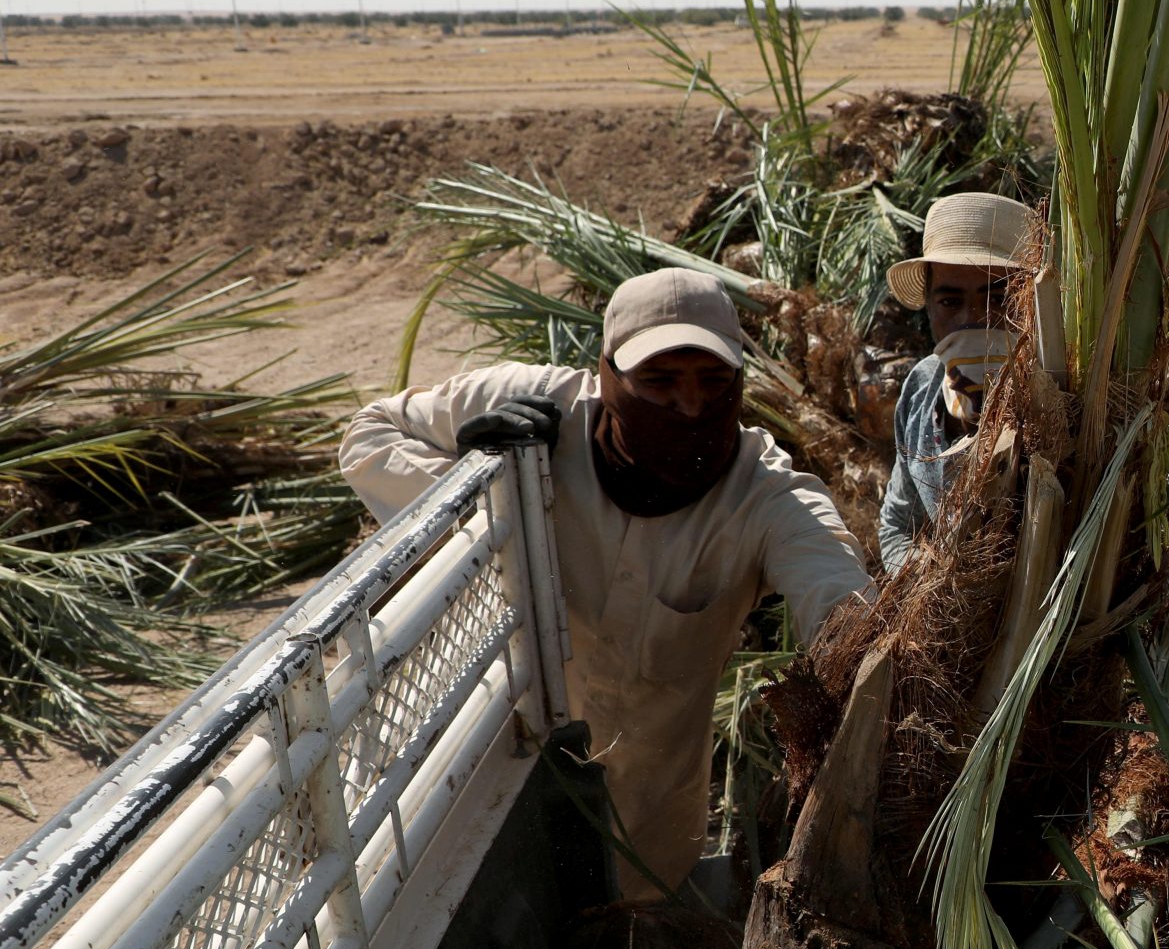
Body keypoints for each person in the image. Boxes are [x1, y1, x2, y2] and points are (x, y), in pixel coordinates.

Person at [341, 267, 873, 898]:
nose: (691, 405)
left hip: (643, 833)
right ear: (607, 375)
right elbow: (368, 435)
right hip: (487, 784)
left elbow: (842, 602)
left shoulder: (765, 499)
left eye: (712, 380)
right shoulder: (534, 408)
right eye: (660, 381)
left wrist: (863, 656)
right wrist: (476, 491)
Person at [877, 191, 1038, 575]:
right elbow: (898, 527)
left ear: (1031, 301)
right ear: (929, 309)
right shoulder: (921, 390)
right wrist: (934, 583)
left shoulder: (1065, 398)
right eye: (950, 302)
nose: (973, 318)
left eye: (998, 298)